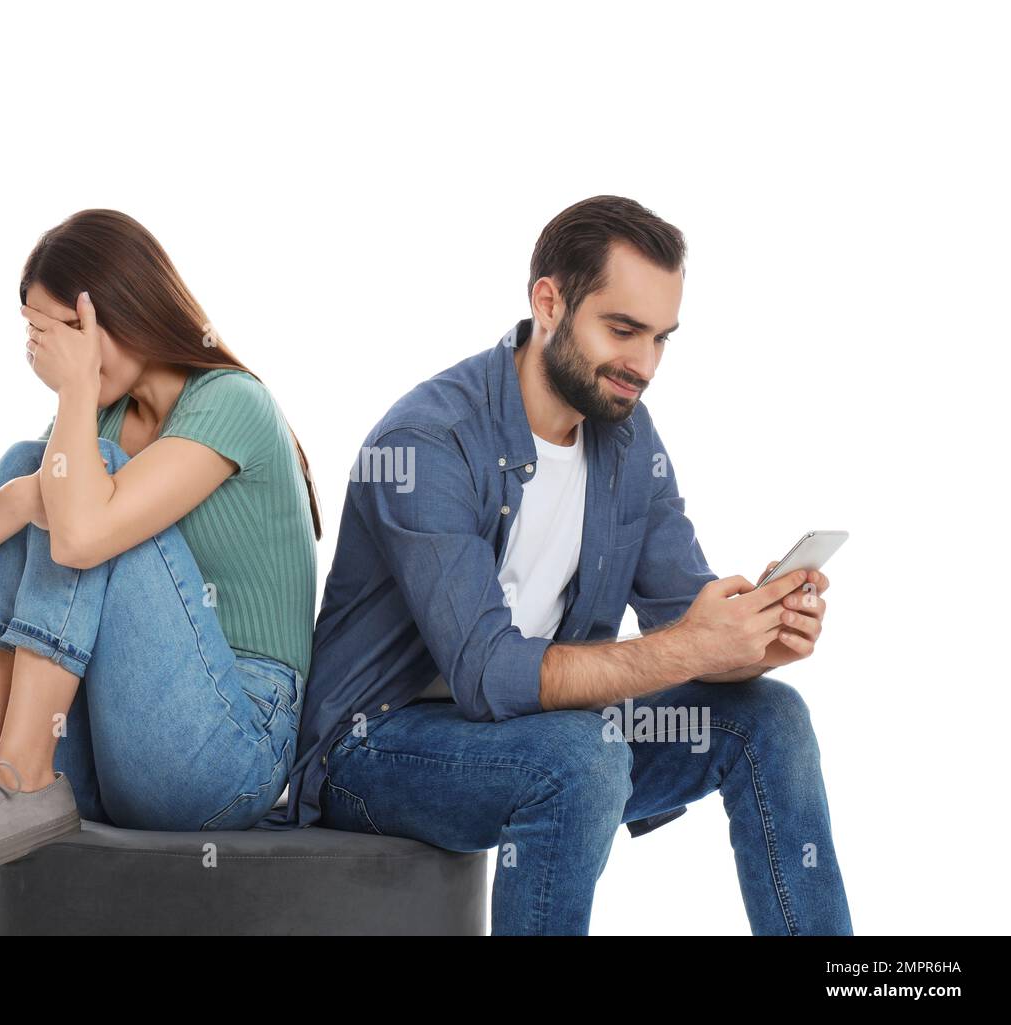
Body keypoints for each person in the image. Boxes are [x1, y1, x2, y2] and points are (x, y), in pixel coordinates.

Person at [269, 195, 852, 936]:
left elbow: (683, 623)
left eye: (662, 339)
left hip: (548, 739)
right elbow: (487, 675)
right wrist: (695, 645)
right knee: (580, 756)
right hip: (372, 749)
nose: (644, 364)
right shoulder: (425, 442)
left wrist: (752, 640)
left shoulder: (628, 439)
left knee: (771, 718)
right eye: (623, 329)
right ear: (549, 301)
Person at [0, 209, 320, 885]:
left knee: (77, 483)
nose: (48, 356)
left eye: (61, 333)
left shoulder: (233, 400)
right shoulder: (98, 414)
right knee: (28, 467)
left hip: (226, 752)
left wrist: (73, 394)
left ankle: (21, 772)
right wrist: (21, 496)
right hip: (110, 745)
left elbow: (82, 537)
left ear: (118, 313)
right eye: (35, 336)